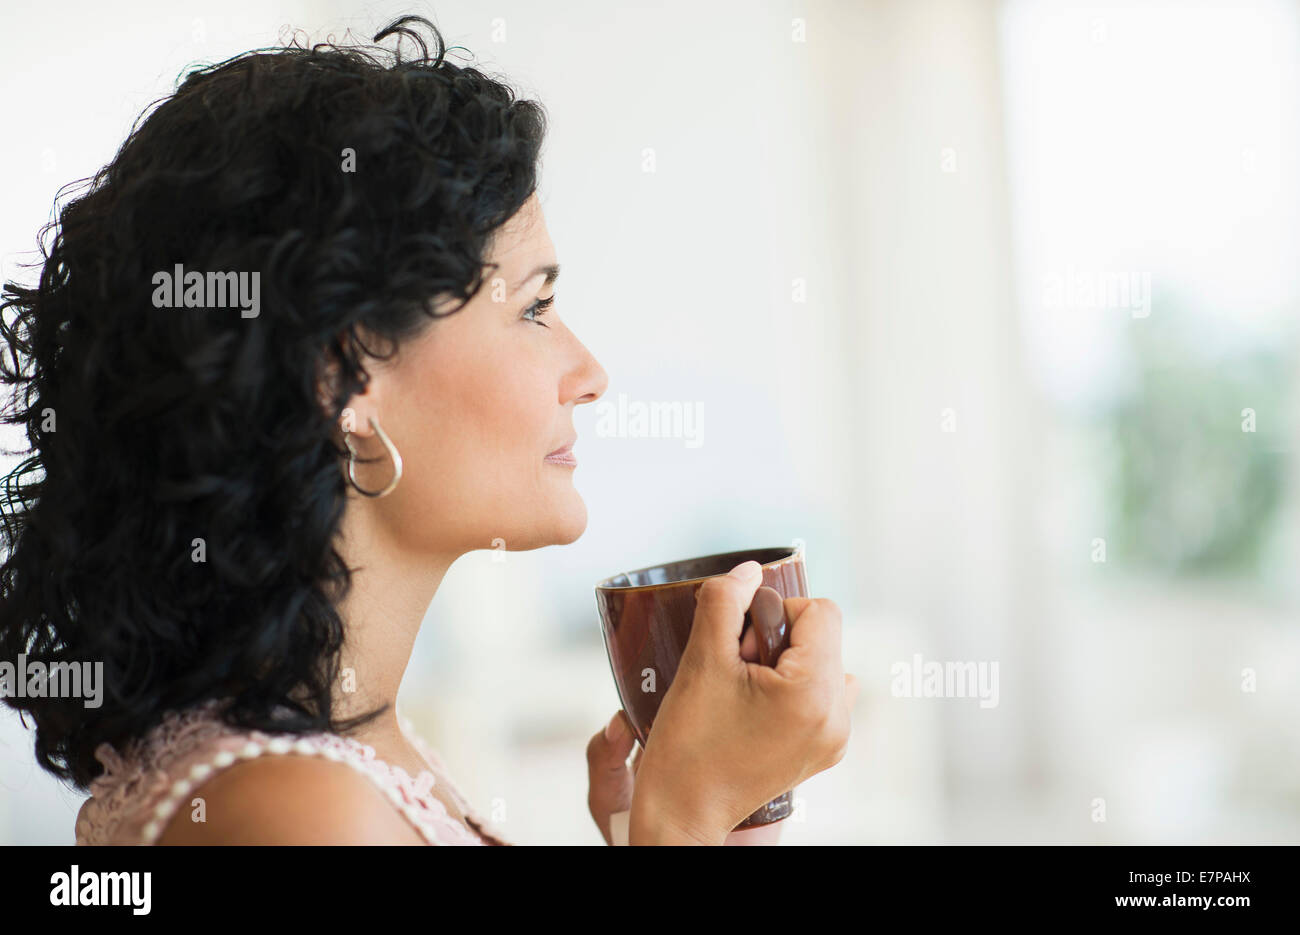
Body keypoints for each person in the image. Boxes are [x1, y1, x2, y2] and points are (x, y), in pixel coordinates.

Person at [0, 15, 857, 846]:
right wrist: (685, 818)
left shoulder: (357, 753)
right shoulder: (294, 812)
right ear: (345, 377)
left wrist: (714, 819)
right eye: (535, 307)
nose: (591, 375)